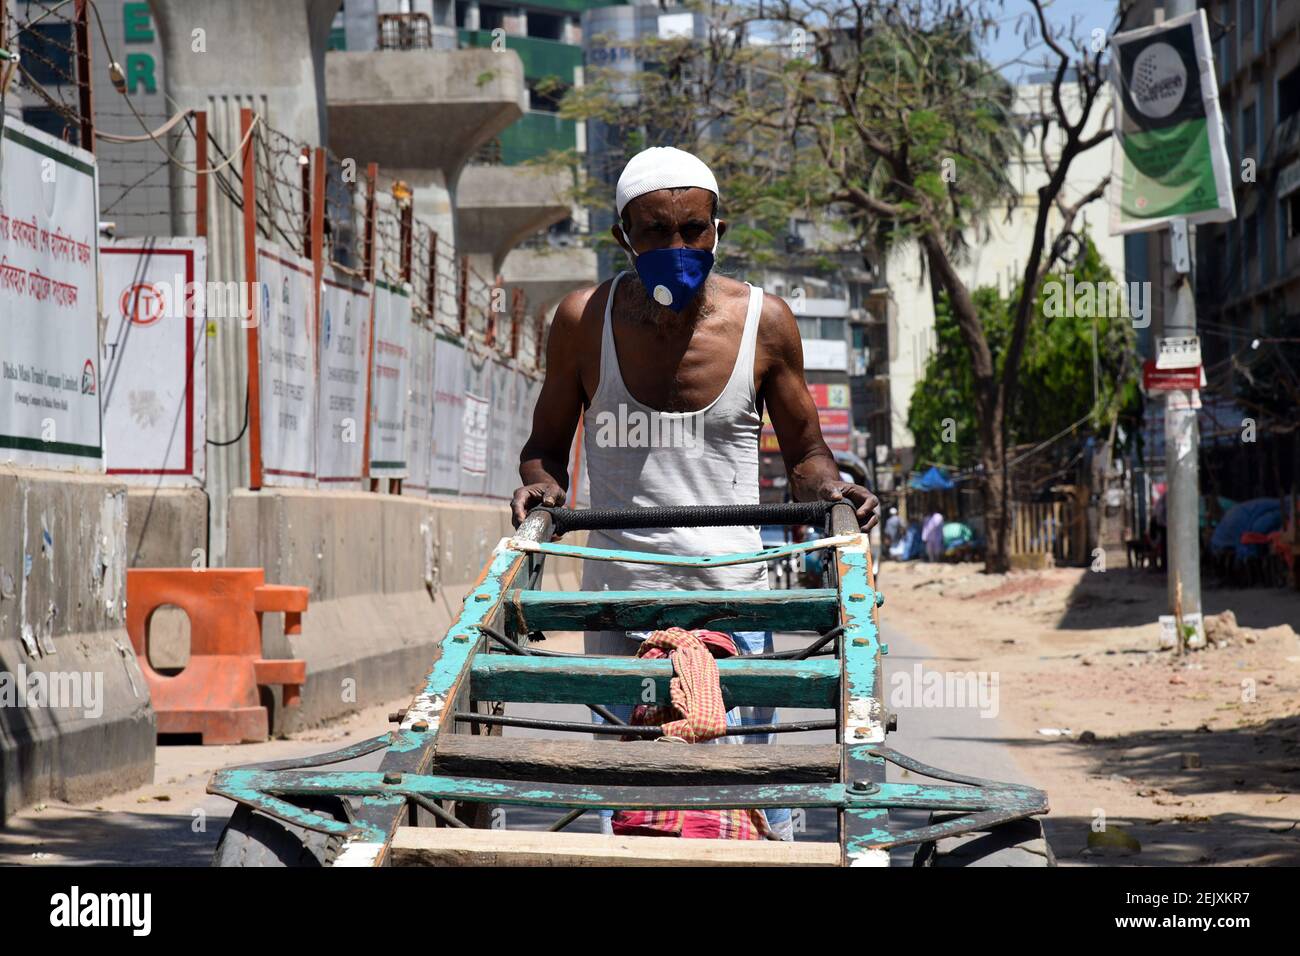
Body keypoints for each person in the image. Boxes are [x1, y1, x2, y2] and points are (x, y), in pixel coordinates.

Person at [512, 146, 878, 840]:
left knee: (741, 786)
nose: (676, 247)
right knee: (631, 789)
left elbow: (805, 452)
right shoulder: (582, 322)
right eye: (655, 233)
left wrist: (834, 488)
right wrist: (540, 489)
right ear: (623, 236)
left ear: (718, 230)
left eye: (693, 231)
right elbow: (545, 449)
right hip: (618, 600)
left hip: (733, 598)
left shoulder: (765, 322)